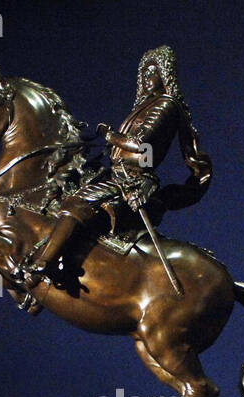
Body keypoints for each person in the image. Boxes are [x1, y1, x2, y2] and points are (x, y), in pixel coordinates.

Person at [16, 45, 213, 290]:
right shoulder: (145, 106)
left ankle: (44, 263)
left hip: (134, 178)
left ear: (165, 74)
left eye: (153, 72)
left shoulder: (166, 105)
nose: (147, 78)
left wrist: (110, 136)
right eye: (144, 74)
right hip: (116, 173)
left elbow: (141, 143)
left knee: (78, 202)